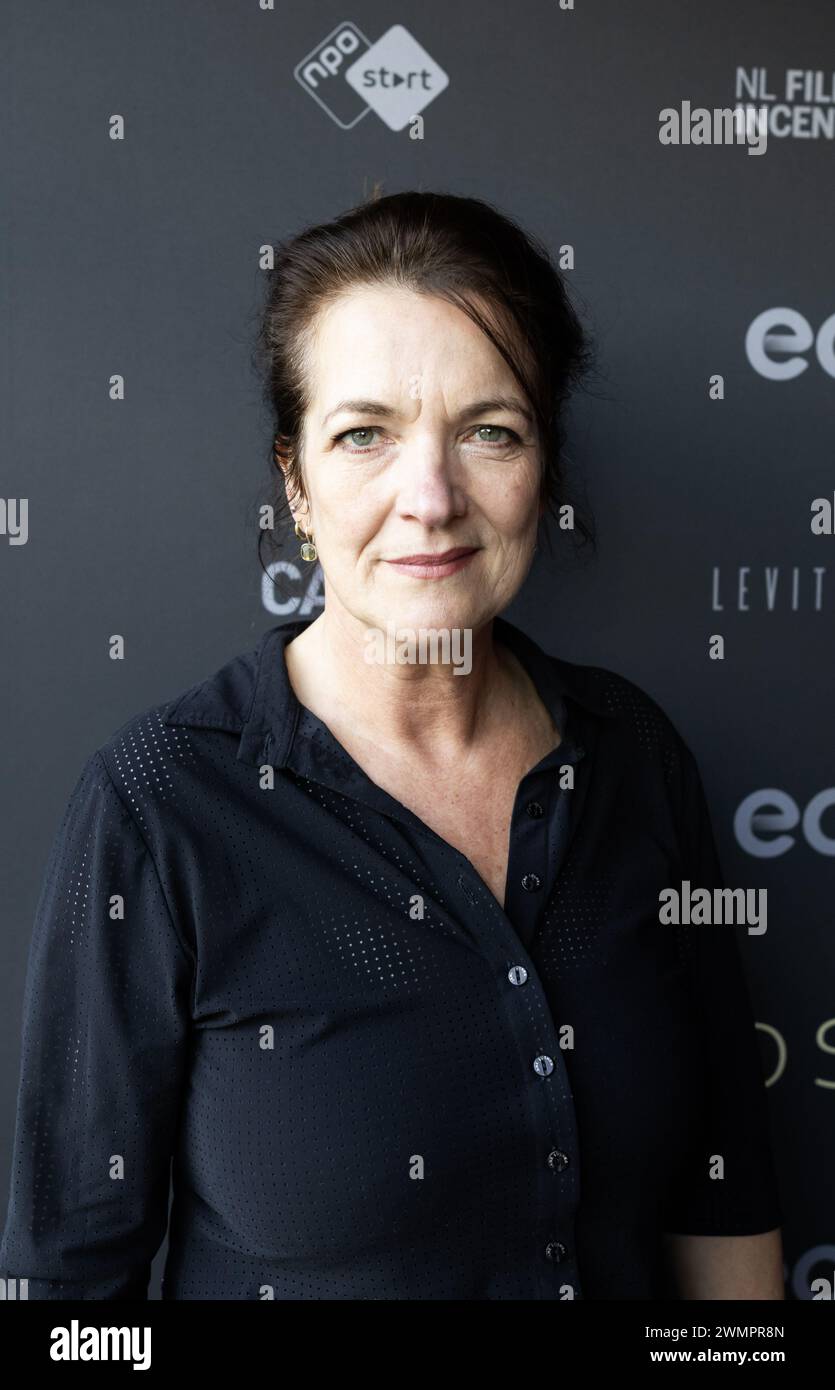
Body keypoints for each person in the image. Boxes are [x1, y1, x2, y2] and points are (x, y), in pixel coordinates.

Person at [0, 190, 783, 1300]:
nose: (430, 498)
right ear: (296, 483)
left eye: (489, 432)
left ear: (545, 471)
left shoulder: (634, 756)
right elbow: (68, 1291)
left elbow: (724, 1201)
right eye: (363, 434)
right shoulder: (160, 802)